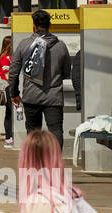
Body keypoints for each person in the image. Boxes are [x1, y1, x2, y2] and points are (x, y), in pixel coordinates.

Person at [8, 10, 73, 146]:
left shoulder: (24, 45)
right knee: (55, 130)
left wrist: (14, 93)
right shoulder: (61, 46)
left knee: (33, 132)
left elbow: (13, 72)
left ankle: (34, 163)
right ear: (50, 25)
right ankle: (54, 163)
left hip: (31, 97)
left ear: (34, 26)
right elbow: (67, 72)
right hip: (54, 98)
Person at [0, 36, 15, 149]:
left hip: (9, 86)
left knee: (10, 112)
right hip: (9, 86)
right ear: (9, 45)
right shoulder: (5, 59)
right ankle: (9, 137)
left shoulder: (8, 57)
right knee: (10, 112)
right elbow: (7, 75)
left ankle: (10, 137)